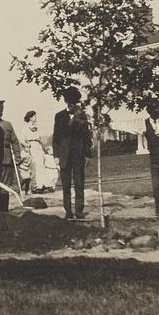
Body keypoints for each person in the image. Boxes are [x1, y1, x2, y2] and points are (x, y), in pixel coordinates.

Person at [52, 87, 92, 220]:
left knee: (79, 184)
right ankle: (68, 212)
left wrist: (87, 155)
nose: (72, 105)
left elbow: (87, 137)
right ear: (65, 101)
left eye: (74, 102)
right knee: (66, 185)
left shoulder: (82, 116)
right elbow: (56, 137)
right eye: (70, 102)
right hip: (63, 156)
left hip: (78, 155)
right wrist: (56, 155)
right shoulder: (59, 116)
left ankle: (79, 212)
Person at [0, 100, 21, 211]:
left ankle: (4, 211)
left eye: (2, 110)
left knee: (5, 187)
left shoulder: (7, 125)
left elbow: (14, 141)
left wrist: (17, 156)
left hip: (6, 160)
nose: (0, 112)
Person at [19, 111, 50, 193]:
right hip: (31, 147)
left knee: (41, 165)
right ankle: (35, 186)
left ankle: (43, 184)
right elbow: (22, 140)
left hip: (38, 147)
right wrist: (27, 146)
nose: (35, 118)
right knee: (35, 166)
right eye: (34, 116)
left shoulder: (36, 128)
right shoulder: (25, 128)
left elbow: (39, 138)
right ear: (30, 118)